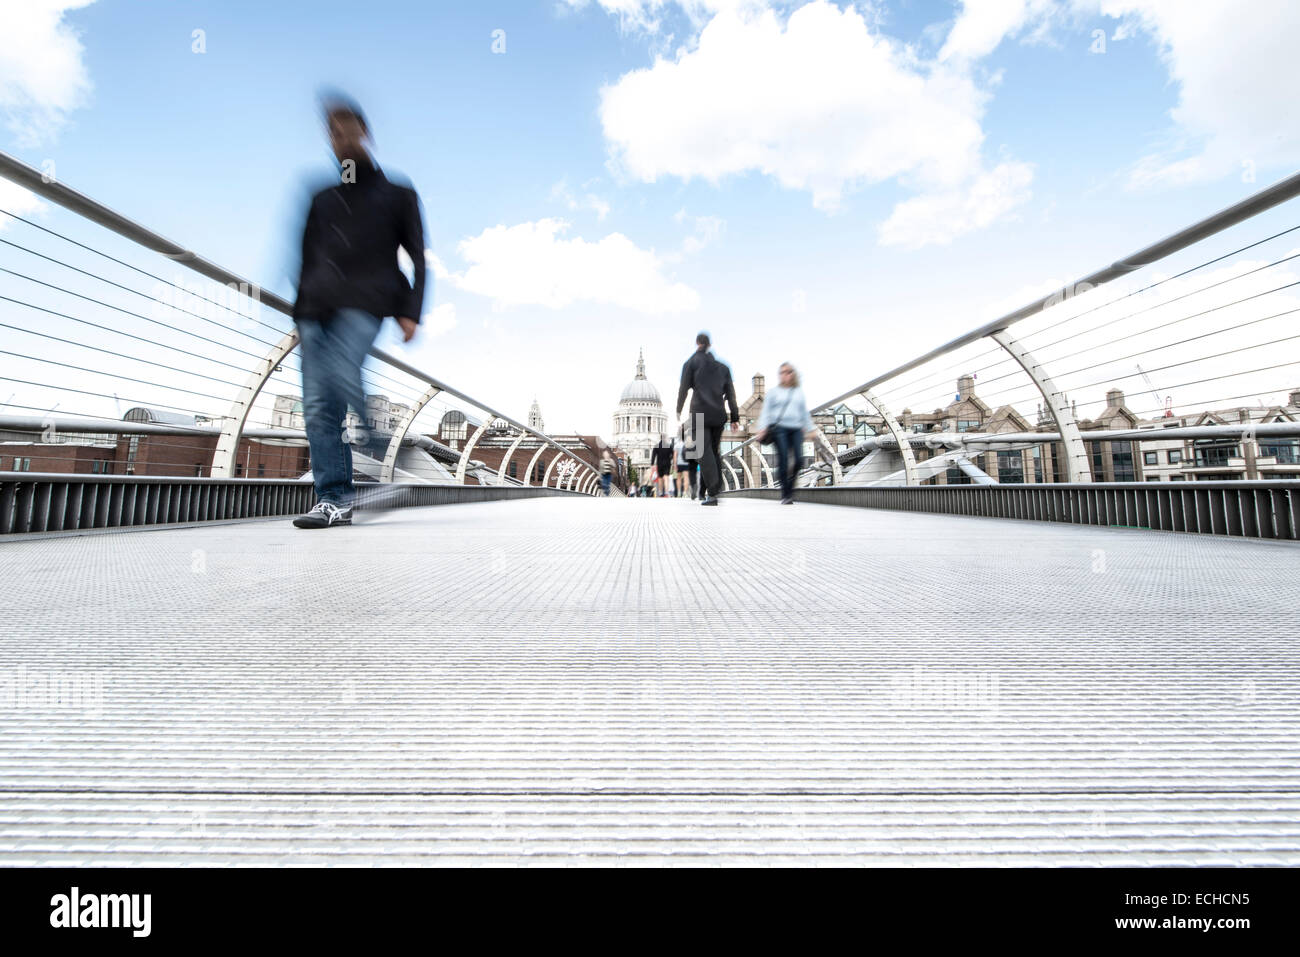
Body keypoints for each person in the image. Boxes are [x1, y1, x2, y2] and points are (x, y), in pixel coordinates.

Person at [291, 93, 426, 529]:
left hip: (367, 303)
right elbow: (306, 258)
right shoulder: (322, 198)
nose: (341, 138)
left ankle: (374, 438)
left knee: (341, 364)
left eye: (348, 129)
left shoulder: (398, 194)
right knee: (318, 407)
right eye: (333, 131)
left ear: (365, 133)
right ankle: (335, 499)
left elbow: (417, 257)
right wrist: (300, 314)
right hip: (316, 308)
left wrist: (411, 309)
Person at [676, 332, 739, 506]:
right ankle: (711, 489)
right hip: (719, 414)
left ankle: (712, 492)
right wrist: (735, 417)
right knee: (713, 452)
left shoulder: (691, 363)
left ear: (697, 343)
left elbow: (683, 389)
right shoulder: (723, 367)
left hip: (700, 412)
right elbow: (731, 395)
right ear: (709, 345)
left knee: (703, 452)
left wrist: (678, 410)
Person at [755, 362, 816, 504]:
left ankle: (790, 488)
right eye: (781, 372)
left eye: (787, 372)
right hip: (779, 429)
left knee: (799, 460)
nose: (784, 375)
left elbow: (804, 412)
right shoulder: (773, 393)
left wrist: (811, 428)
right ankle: (786, 494)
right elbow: (765, 412)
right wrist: (762, 428)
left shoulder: (798, 392)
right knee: (783, 458)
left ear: (792, 374)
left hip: (796, 428)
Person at [674, 424, 695, 499]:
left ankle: (679, 492)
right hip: (686, 462)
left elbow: (675, 456)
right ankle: (685, 493)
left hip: (679, 463)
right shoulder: (688, 443)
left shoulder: (677, 444)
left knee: (678, 478)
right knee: (686, 478)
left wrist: (675, 465)